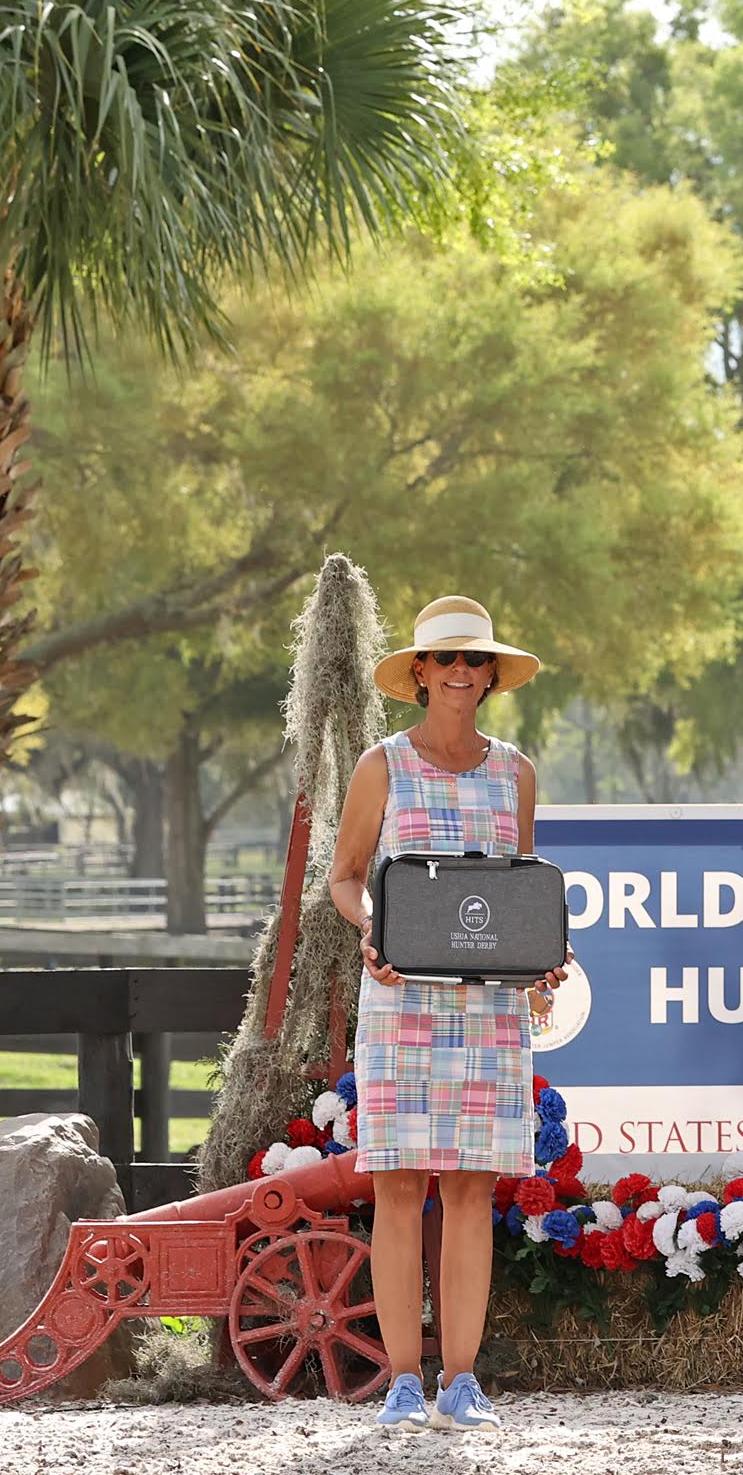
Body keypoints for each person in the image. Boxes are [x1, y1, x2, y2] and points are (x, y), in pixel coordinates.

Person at [326, 595, 567, 1432]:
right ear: (420, 674)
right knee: (397, 1190)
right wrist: (372, 931)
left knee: (470, 1193)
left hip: (492, 1011)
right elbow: (346, 875)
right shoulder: (381, 766)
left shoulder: (518, 772)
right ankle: (400, 1384)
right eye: (448, 660)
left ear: (491, 675)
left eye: (477, 661)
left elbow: (517, 891)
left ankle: (460, 1384)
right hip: (400, 1005)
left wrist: (541, 964)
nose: (463, 673)